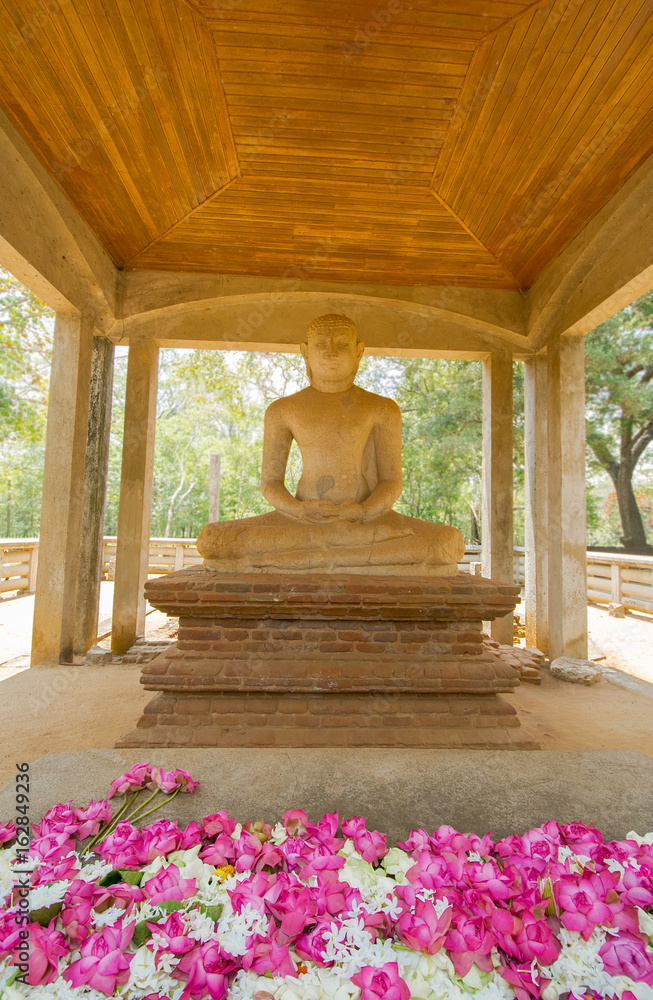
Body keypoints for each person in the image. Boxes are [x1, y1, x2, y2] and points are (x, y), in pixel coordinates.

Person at [197, 314, 465, 575]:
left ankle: (309, 557)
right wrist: (300, 510)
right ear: (305, 351)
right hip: (301, 524)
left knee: (447, 542)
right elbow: (270, 483)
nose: (331, 352)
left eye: (342, 344)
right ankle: (343, 554)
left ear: (359, 352)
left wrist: (363, 511)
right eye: (321, 344)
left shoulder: (382, 408)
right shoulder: (282, 410)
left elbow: (391, 481)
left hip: (366, 522)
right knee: (212, 540)